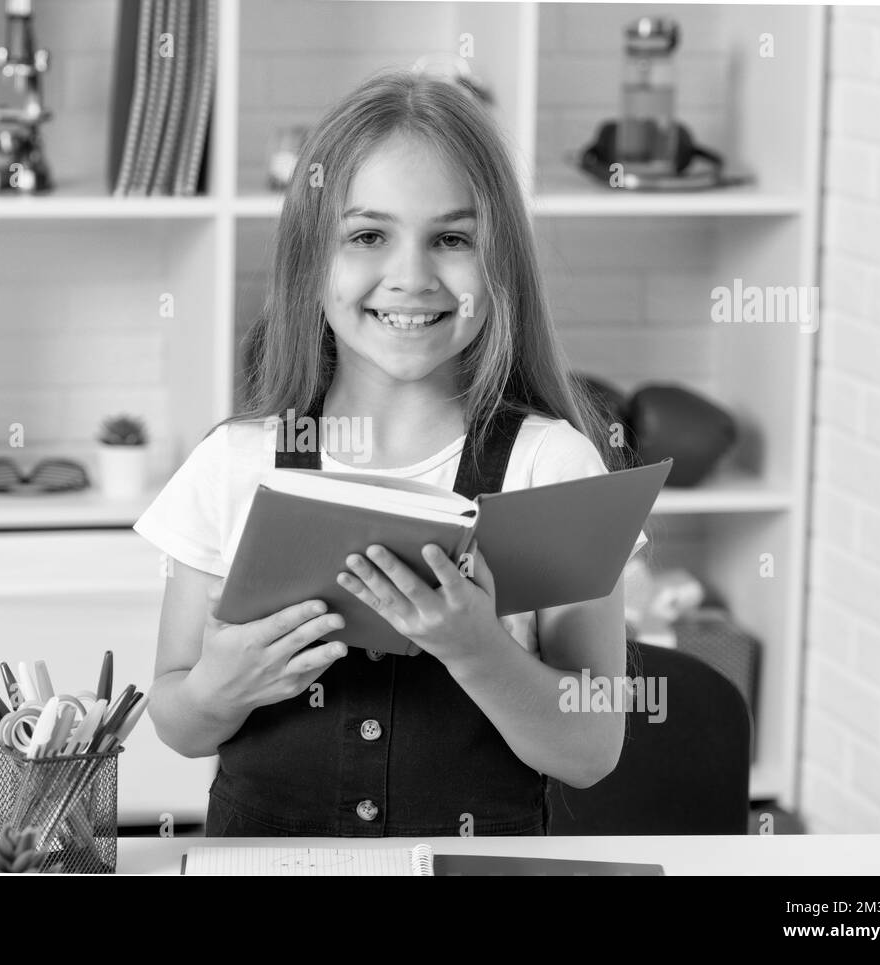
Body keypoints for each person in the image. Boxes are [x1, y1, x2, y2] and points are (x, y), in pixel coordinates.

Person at [133, 69, 644, 837]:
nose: (410, 277)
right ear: (313, 263)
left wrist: (476, 648)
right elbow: (177, 720)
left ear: (497, 264)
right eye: (368, 236)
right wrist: (221, 685)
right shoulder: (234, 464)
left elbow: (592, 748)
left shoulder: (551, 470)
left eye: (451, 238)